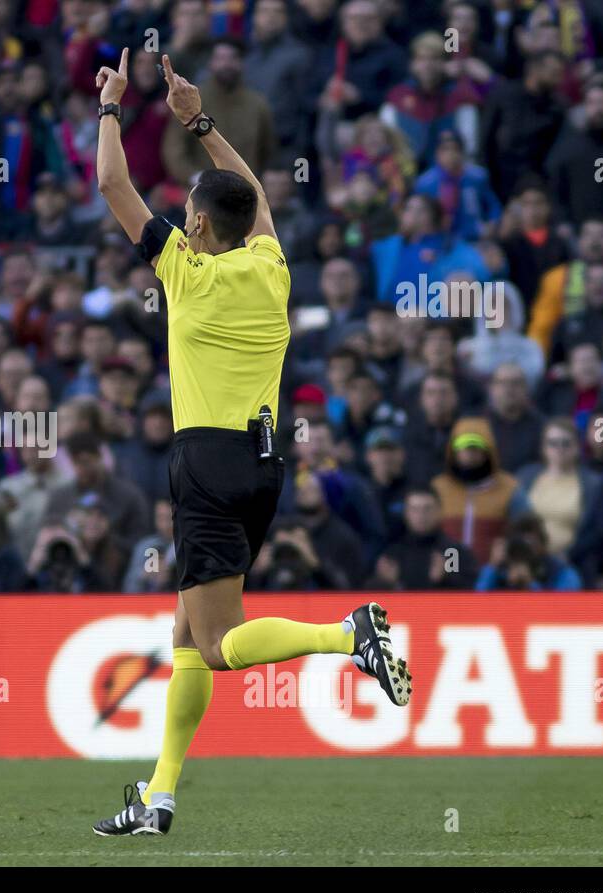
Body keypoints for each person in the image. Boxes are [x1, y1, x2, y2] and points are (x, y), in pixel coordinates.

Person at [90, 51, 411, 839]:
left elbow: (112, 187)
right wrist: (198, 123)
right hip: (264, 466)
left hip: (203, 463)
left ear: (197, 225)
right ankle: (158, 797)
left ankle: (350, 636)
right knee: (186, 640)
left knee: (220, 643)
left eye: (191, 210)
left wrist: (111, 107)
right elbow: (256, 198)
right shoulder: (272, 267)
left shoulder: (185, 273)